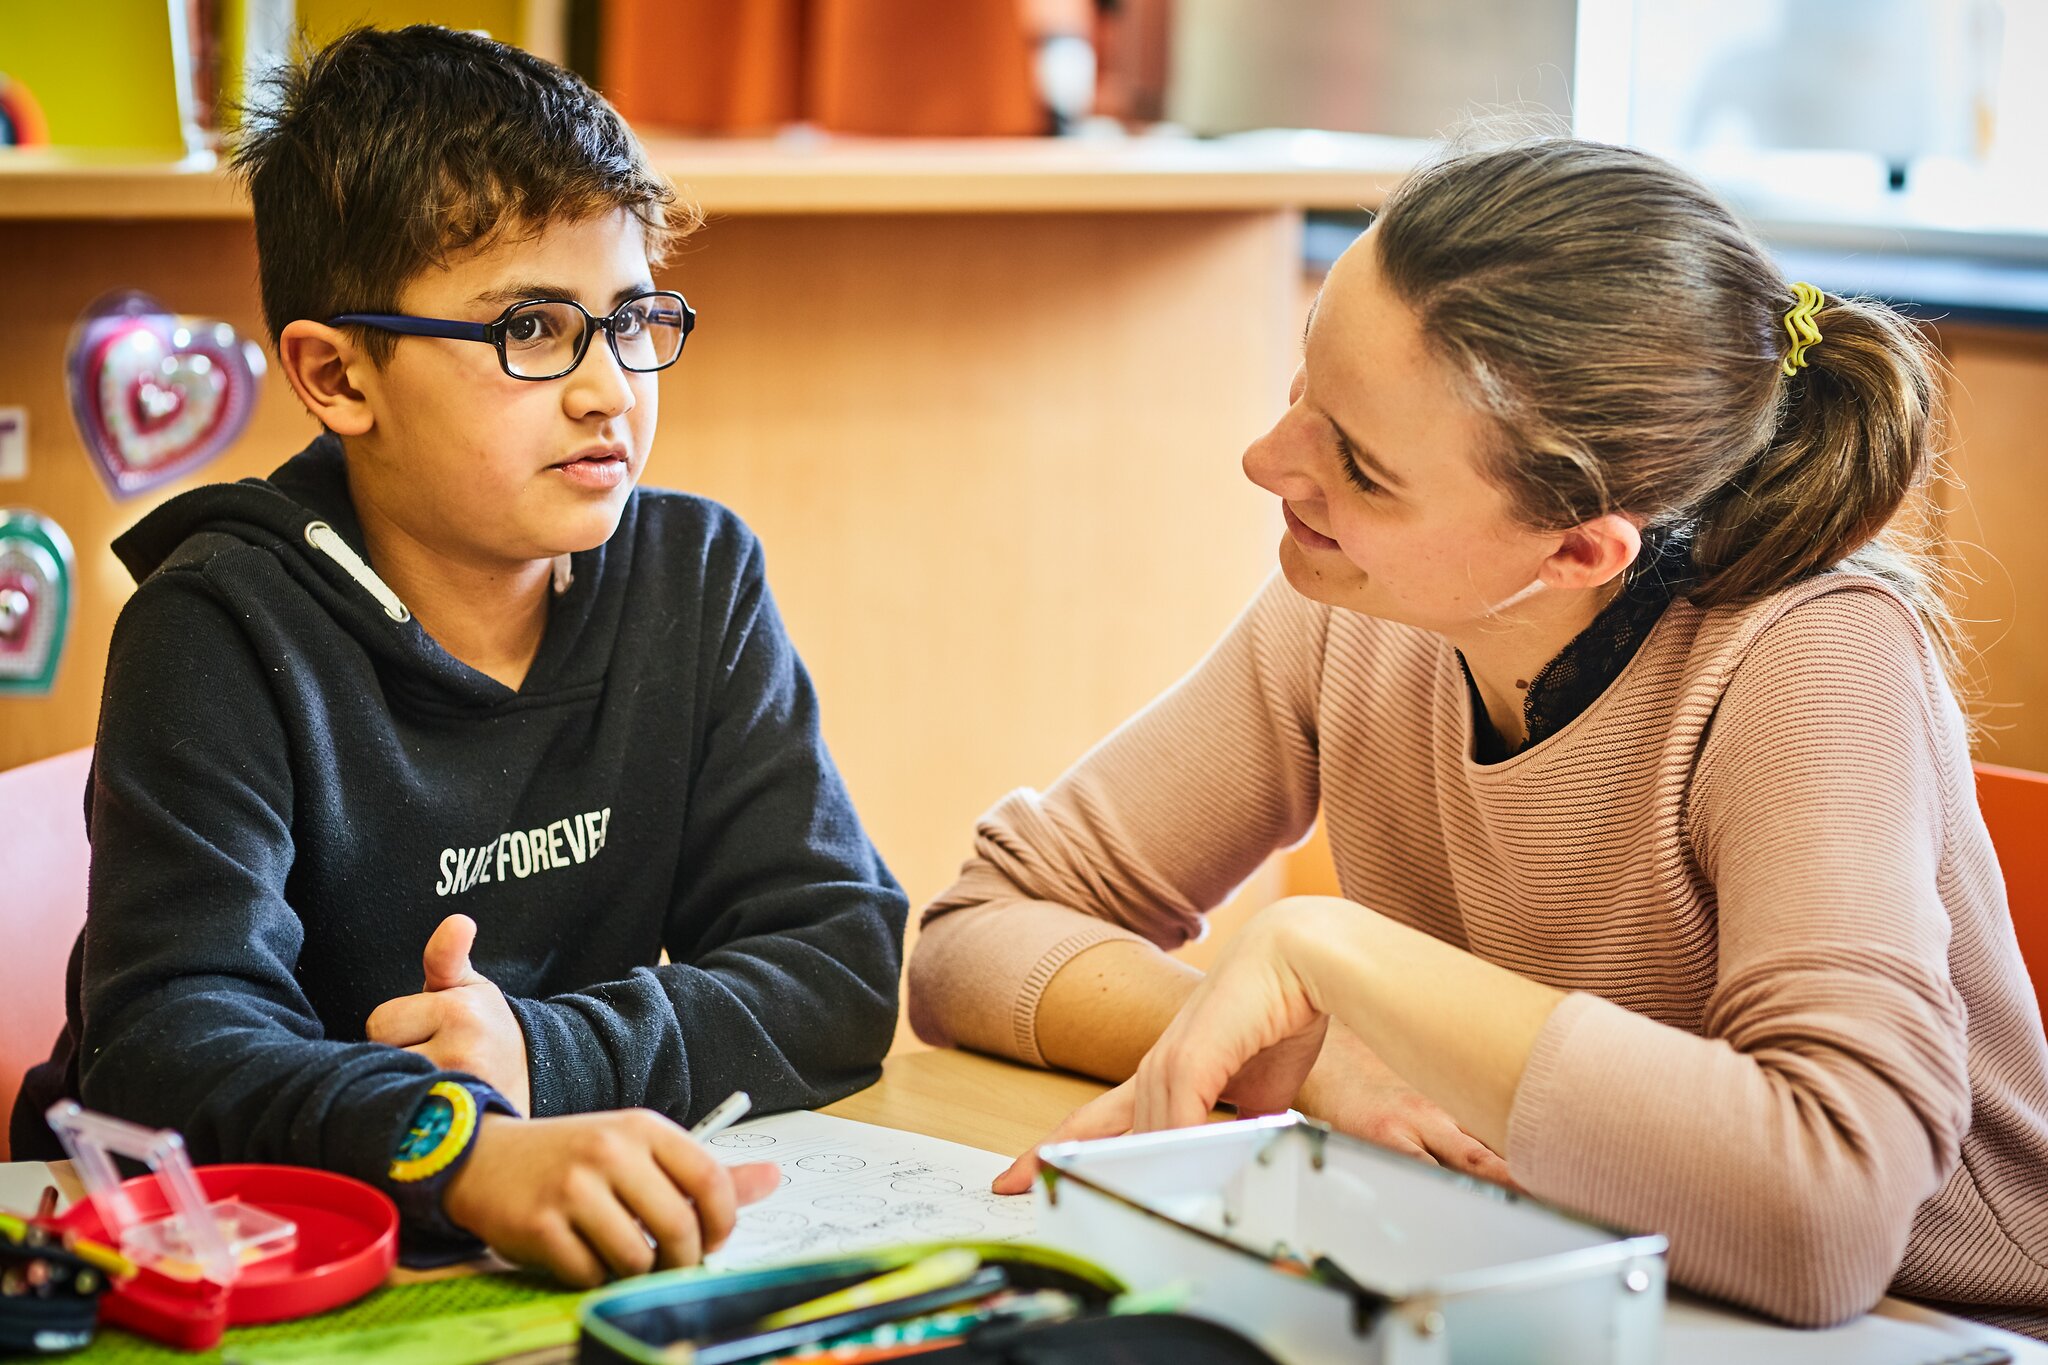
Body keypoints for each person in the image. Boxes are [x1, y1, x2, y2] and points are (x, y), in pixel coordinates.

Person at [907, 137, 2048, 1335]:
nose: (1263, 462)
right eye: (1305, 383)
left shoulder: (1811, 659)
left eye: (1357, 463)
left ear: (1575, 551)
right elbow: (977, 937)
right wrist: (1319, 1055)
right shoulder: (1361, 604)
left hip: (1921, 1324)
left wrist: (1331, 958)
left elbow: (1826, 1223)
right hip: (1536, 1276)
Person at [11, 26, 908, 1287]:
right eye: (532, 330)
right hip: (241, 1268)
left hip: (550, 1248)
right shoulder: (217, 626)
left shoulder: (693, 579)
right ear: (337, 375)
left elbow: (837, 957)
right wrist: (457, 1147)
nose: (609, 389)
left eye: (631, 318)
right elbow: (167, 1050)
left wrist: (539, 1062)